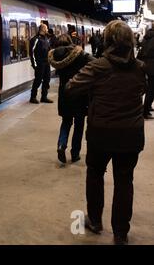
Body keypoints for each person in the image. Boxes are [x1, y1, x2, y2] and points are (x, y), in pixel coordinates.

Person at [65, 20, 146, 245]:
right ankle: (121, 233)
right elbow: (143, 89)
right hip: (131, 134)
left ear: (107, 41)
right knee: (124, 180)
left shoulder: (98, 66)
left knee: (95, 174)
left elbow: (71, 87)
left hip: (101, 133)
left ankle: (95, 220)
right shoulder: (140, 68)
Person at [48, 34, 94, 164]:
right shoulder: (79, 54)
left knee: (66, 122)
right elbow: (94, 62)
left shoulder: (55, 56)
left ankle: (61, 145)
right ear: (70, 42)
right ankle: (75, 154)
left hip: (64, 93)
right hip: (79, 92)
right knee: (79, 125)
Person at [29, 23, 53, 104]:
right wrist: (35, 64)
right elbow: (32, 53)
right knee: (38, 80)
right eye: (46, 28)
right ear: (42, 29)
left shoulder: (46, 39)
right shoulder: (35, 39)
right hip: (39, 64)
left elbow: (49, 50)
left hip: (46, 63)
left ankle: (44, 97)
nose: (47, 30)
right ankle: (33, 97)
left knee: (47, 80)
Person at [137, 27, 154, 119]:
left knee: (149, 88)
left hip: (145, 65)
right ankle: (145, 111)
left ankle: (148, 107)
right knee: (151, 90)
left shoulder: (146, 37)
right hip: (152, 67)